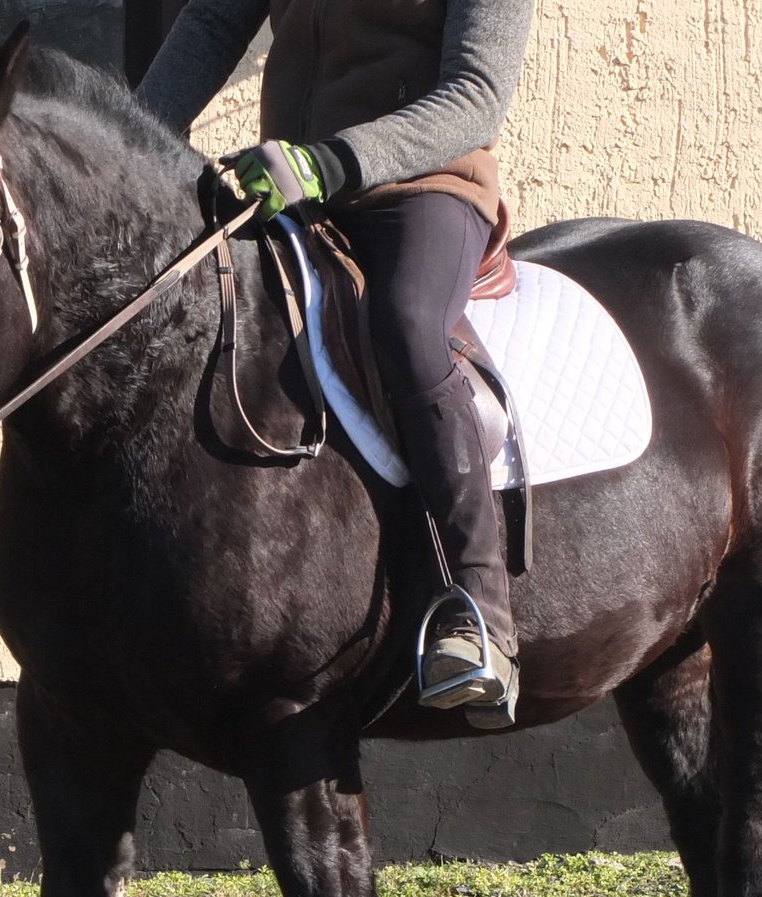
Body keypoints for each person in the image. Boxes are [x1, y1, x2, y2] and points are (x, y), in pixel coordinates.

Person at [137, 0, 537, 726]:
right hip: (290, 189)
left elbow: (476, 95)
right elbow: (213, 24)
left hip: (420, 187)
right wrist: (135, 136)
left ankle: (479, 609)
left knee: (407, 323)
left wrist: (331, 162)